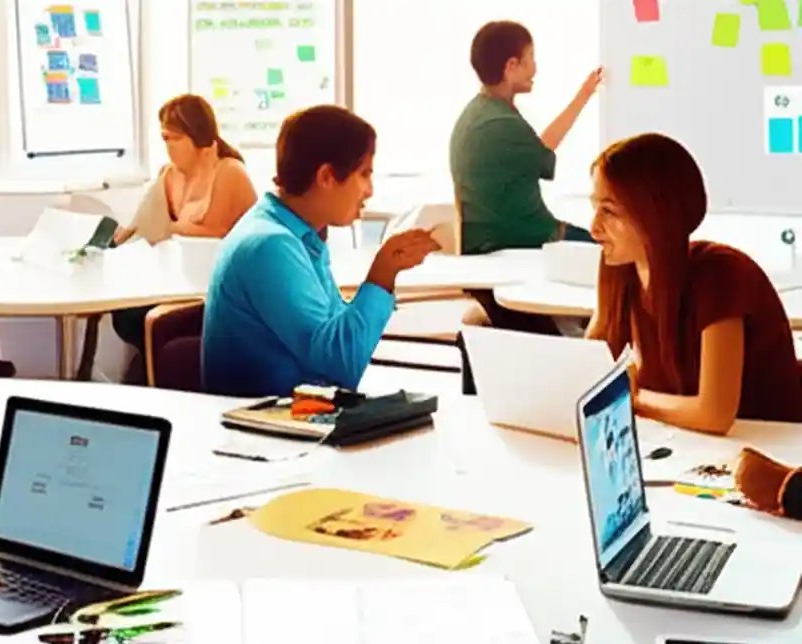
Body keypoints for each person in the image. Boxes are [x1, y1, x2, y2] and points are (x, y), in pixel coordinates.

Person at [202, 105, 439, 397]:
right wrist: (383, 273)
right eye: (364, 174)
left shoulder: (295, 233)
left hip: (297, 415)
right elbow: (339, 364)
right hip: (273, 429)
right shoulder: (271, 245)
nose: (370, 190)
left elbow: (336, 333)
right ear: (326, 176)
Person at [586, 133, 802, 435]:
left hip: (773, 449)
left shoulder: (720, 275)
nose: (593, 228)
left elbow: (714, 414)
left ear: (655, 213)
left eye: (608, 211)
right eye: (594, 207)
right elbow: (588, 372)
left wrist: (630, 397)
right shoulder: (619, 270)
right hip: (691, 447)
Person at [449, 21, 601, 334]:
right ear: (511, 65)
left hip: (491, 235)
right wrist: (583, 96)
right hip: (524, 236)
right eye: (530, 59)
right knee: (612, 254)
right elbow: (543, 153)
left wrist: (584, 96)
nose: (535, 68)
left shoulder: (479, 113)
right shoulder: (502, 124)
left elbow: (539, 148)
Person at [109, 95, 257, 381]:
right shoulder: (169, 175)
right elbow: (147, 222)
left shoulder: (229, 172)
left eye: (173, 139)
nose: (168, 147)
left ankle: (155, 378)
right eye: (164, 139)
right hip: (176, 281)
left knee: (140, 319)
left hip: (217, 292)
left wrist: (168, 229)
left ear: (196, 137)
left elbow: (219, 234)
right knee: (124, 313)